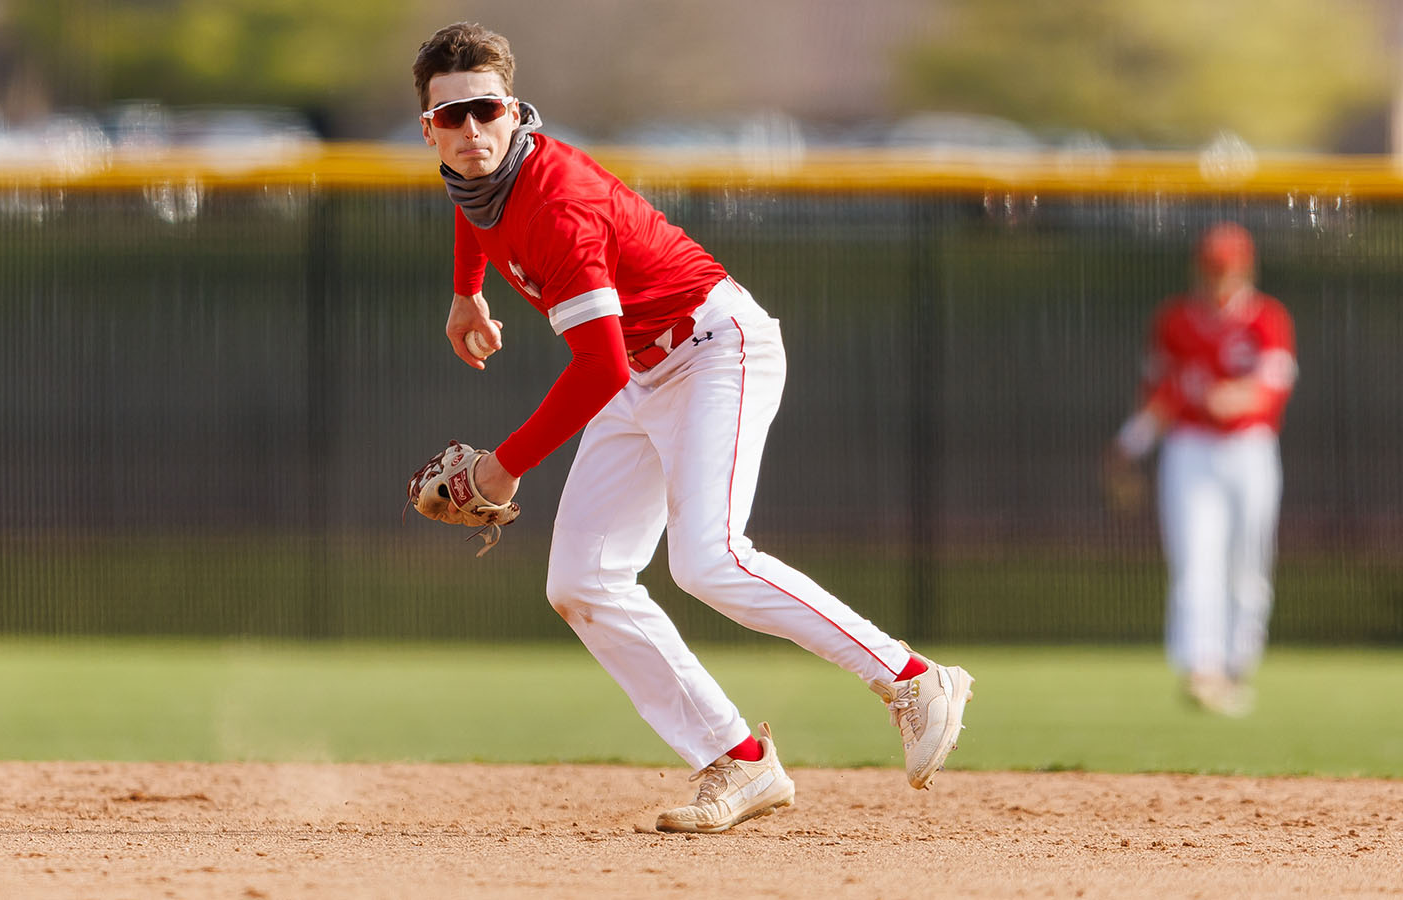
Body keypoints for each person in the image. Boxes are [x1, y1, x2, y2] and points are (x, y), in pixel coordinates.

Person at [410, 22, 974, 832]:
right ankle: (738, 760)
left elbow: (597, 368)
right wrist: (468, 292)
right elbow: (474, 208)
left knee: (709, 558)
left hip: (712, 350)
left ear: (515, 110)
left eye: (486, 111)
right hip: (643, 370)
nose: (471, 131)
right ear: (427, 129)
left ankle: (913, 678)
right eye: (452, 116)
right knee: (583, 582)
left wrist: (505, 466)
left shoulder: (558, 203)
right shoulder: (481, 176)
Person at [1105, 222, 1297, 717]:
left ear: (1245, 269)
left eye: (1226, 269)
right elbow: (1160, 394)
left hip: (1250, 447)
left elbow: (1271, 388)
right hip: (1190, 447)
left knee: (1248, 563)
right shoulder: (1175, 320)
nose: (1217, 278)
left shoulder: (1266, 318)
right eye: (1211, 268)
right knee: (1195, 559)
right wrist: (1129, 445)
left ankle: (1237, 663)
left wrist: (1233, 396)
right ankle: (1201, 668)